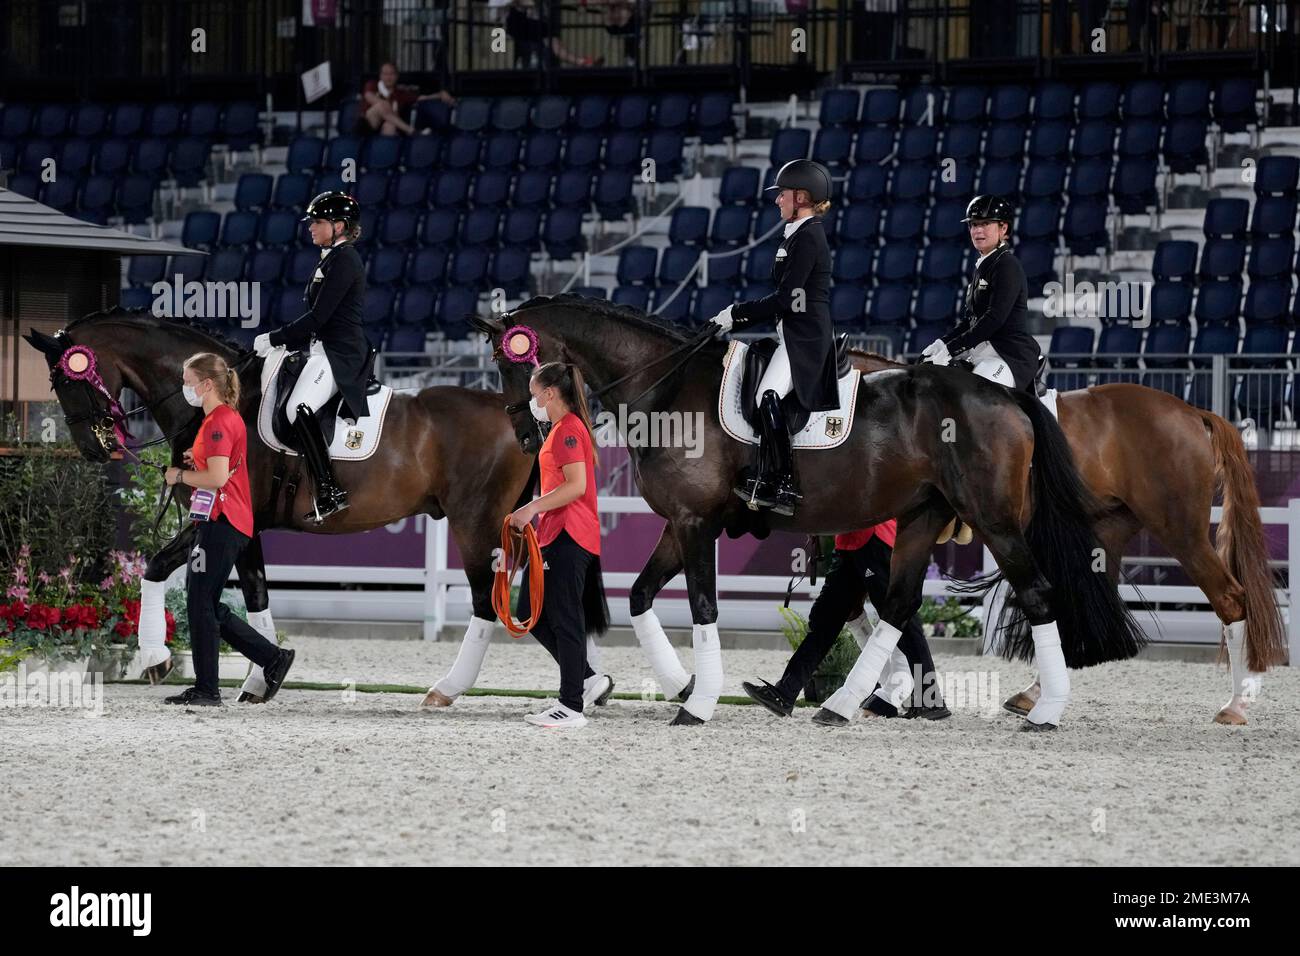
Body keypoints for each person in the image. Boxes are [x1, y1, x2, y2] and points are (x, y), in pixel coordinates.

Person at [708, 159, 839, 517]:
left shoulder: (808, 236)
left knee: (768, 395)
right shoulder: (796, 233)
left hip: (806, 339)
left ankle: (781, 482)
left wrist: (737, 312)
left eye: (782, 194)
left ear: (801, 196)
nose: (777, 200)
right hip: (792, 333)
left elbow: (786, 298)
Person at [162, 353, 295, 707]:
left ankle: (211, 687)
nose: (185, 388)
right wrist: (198, 460)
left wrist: (179, 475)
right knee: (202, 602)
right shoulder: (221, 420)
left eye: (189, 381)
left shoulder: (218, 422)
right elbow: (221, 468)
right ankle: (270, 659)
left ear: (206, 385)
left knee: (200, 601)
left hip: (223, 522)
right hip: (224, 522)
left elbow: (218, 479)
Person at [743, 522, 950, 720]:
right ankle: (785, 692)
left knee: (902, 617)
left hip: (874, 540)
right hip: (847, 542)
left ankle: (930, 699)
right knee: (825, 619)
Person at [253, 191, 369, 522]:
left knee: (297, 408)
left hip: (340, 353)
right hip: (322, 349)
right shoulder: (331, 257)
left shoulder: (345, 259)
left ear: (340, 225)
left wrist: (276, 338)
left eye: (317, 222)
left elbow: (319, 317)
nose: (311, 228)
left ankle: (329, 489)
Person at [509, 362, 611, 728]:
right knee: (530, 613)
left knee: (566, 619)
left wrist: (530, 508)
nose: (533, 400)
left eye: (536, 394)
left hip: (569, 534)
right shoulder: (561, 430)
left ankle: (571, 705)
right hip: (557, 534)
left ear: (550, 393)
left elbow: (576, 486)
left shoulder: (568, 431)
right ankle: (583, 679)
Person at [920, 194, 1044, 392]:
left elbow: (993, 319)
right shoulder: (983, 266)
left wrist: (951, 349)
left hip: (1009, 356)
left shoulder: (1006, 265)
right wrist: (941, 343)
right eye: (973, 224)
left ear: (1003, 228)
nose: (977, 230)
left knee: (977, 395)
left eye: (985, 223)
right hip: (983, 353)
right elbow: (971, 321)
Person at [355, 61, 455, 137]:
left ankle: (385, 160)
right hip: (367, 125)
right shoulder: (372, 85)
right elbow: (369, 97)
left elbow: (422, 98)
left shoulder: (400, 93)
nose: (388, 77)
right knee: (382, 105)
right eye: (385, 74)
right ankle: (411, 131)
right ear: (380, 76)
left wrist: (440, 94)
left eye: (392, 74)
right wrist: (389, 108)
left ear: (397, 76)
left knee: (390, 126)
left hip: (386, 127)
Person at [503, 0, 604, 69]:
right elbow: (527, 5)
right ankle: (582, 62)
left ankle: (583, 62)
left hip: (523, 25)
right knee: (550, 38)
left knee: (554, 43)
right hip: (518, 25)